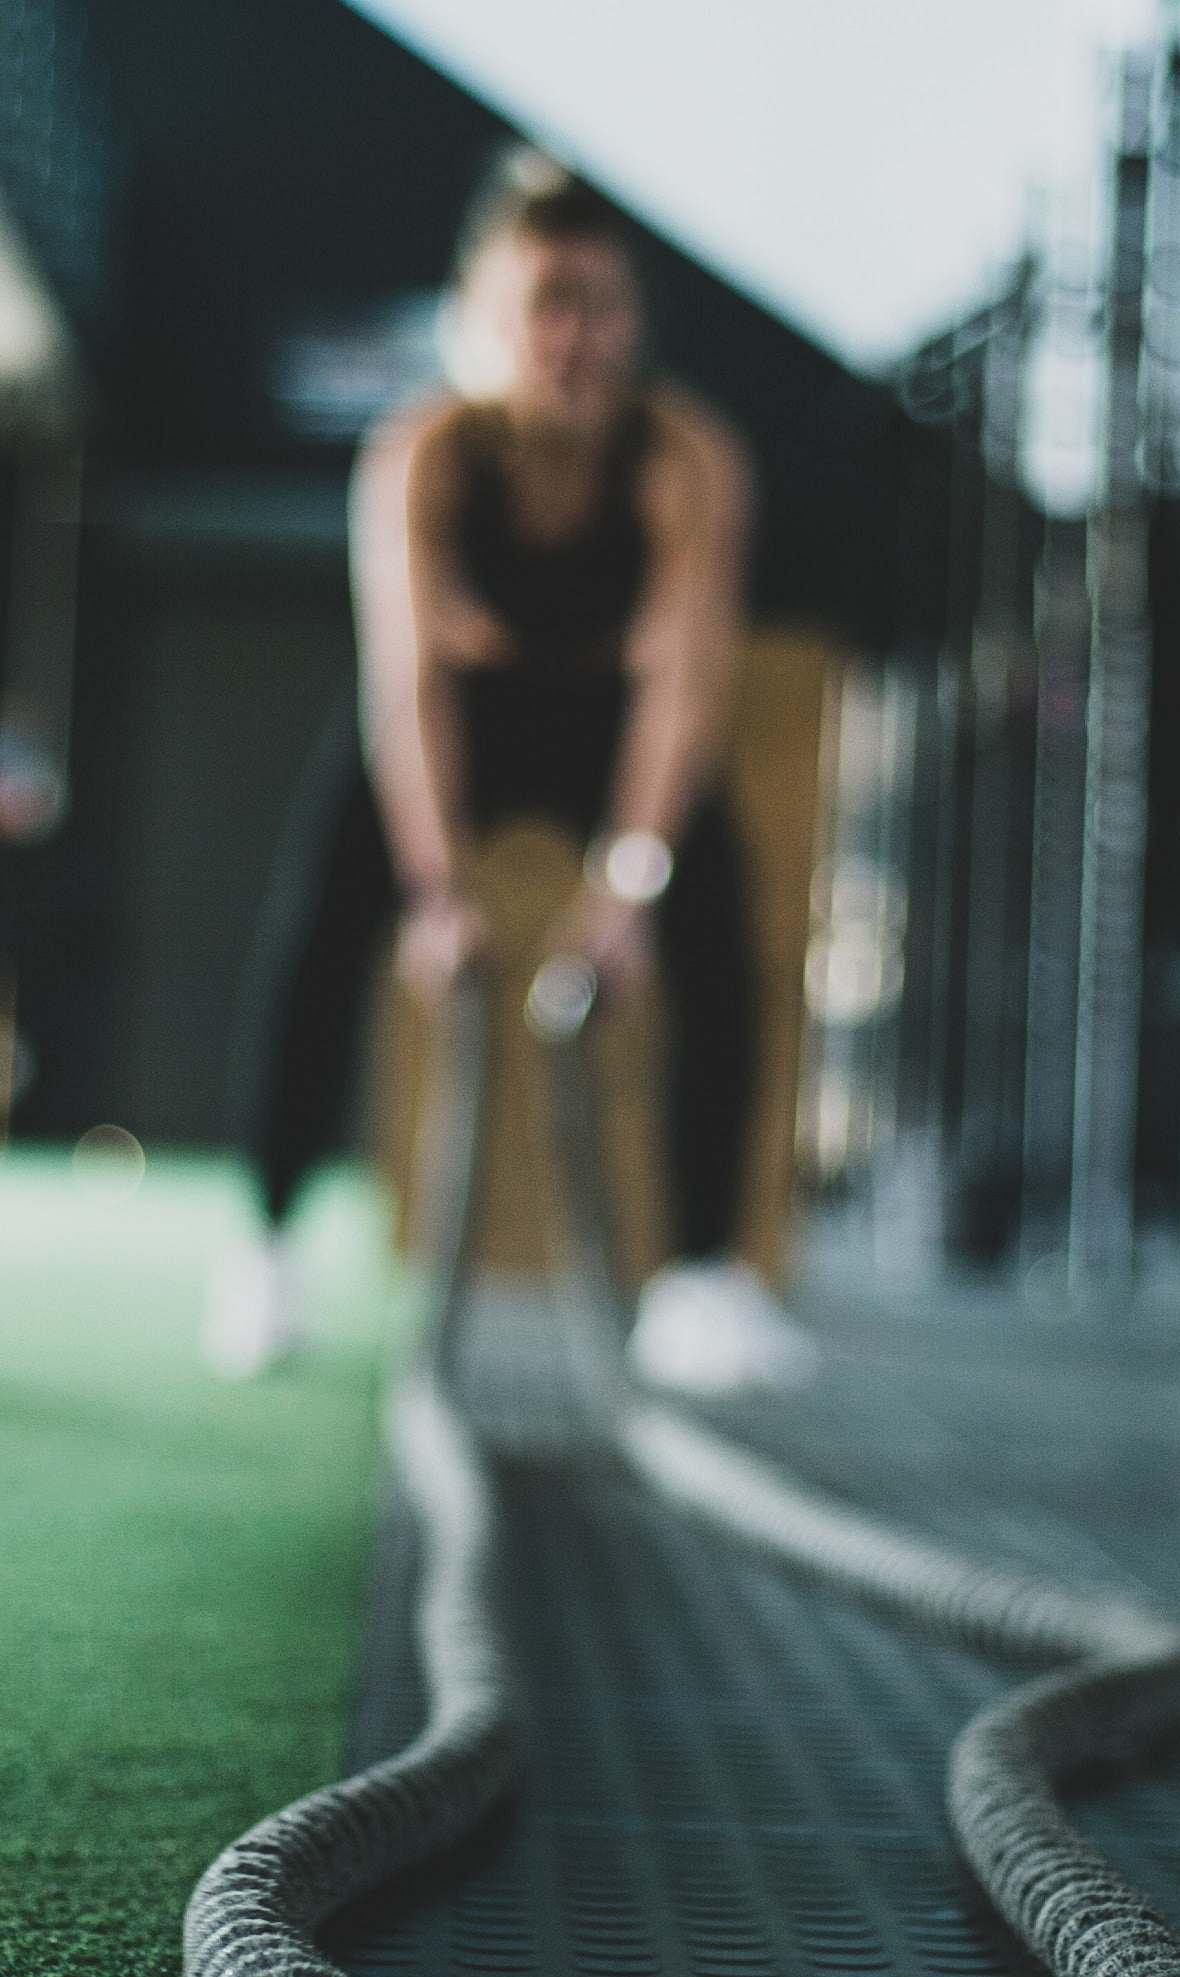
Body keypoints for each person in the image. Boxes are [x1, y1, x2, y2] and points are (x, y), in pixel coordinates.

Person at [204, 150, 817, 1395]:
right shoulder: (425, 455)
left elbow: (683, 691)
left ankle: (701, 1279)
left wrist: (627, 894)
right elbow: (410, 685)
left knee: (719, 919)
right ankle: (266, 1247)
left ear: (633, 323)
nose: (576, 337)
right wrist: (436, 895)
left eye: (600, 306)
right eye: (547, 304)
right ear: (483, 320)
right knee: (323, 920)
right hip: (462, 727)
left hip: (612, 730)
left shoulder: (686, 460)